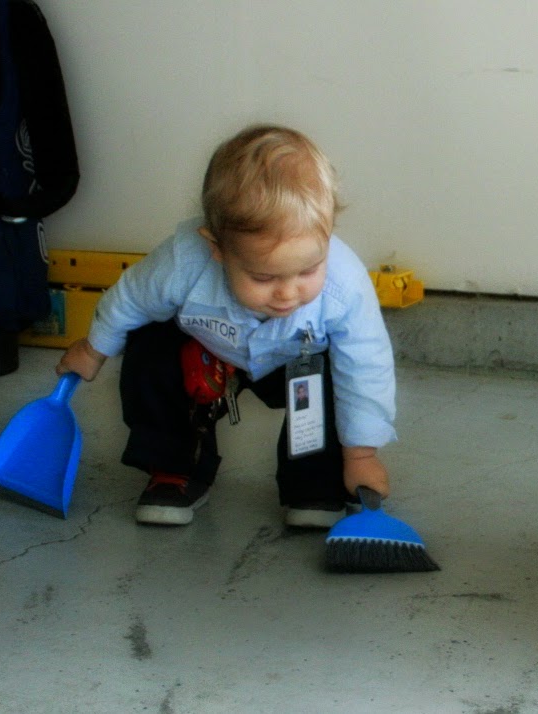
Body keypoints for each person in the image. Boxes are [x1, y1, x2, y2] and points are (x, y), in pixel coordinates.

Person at [56, 124, 396, 528]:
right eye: (264, 278)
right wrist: (95, 348)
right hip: (207, 353)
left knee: (330, 377)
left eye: (308, 269)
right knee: (149, 345)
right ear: (216, 247)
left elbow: (366, 366)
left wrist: (361, 453)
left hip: (294, 361)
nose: (288, 294)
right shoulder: (183, 260)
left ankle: (315, 485)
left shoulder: (345, 285)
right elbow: (131, 297)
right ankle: (175, 468)